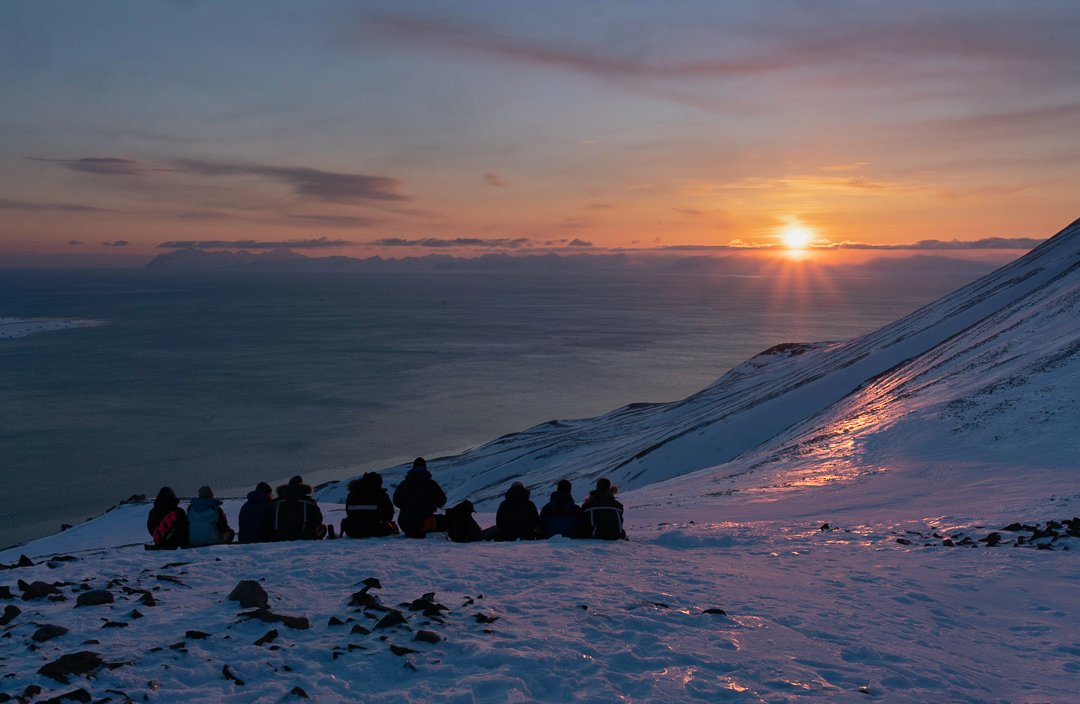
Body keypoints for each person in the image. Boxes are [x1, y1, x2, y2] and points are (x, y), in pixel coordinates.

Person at [392, 458, 447, 538]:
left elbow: (396, 501)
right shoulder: (432, 484)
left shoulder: (403, 484)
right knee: (443, 520)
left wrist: (407, 507)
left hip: (406, 524)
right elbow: (442, 502)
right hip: (426, 523)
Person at [341, 472, 398, 538]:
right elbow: (389, 514)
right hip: (376, 530)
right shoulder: (381, 494)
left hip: (353, 531)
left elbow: (349, 512)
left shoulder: (352, 494)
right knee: (393, 526)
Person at [273, 475, 326, 541]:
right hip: (304, 536)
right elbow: (318, 520)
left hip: (280, 536)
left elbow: (270, 519)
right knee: (323, 528)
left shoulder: (276, 502)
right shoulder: (309, 502)